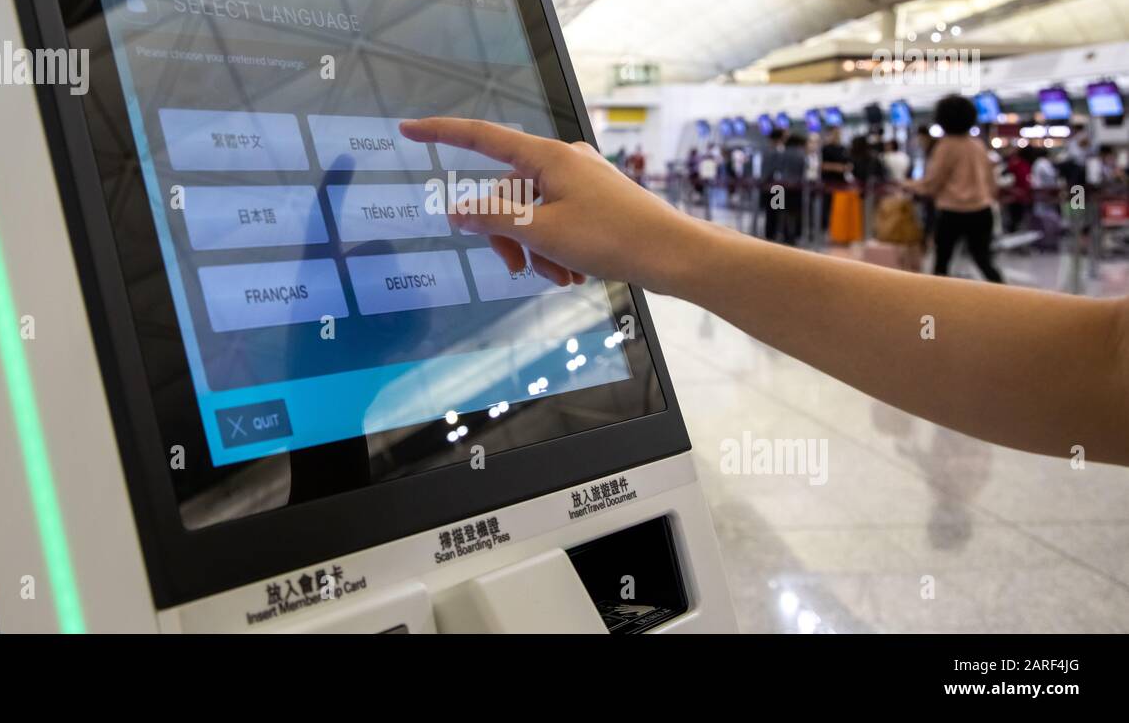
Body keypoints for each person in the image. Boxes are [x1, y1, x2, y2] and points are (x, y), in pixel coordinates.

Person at [398, 117, 1129, 465]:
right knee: (962, 258)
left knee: (949, 255)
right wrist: (679, 249)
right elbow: (1102, 365)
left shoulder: (942, 149)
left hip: (942, 219)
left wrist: (676, 249)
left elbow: (1103, 366)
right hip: (976, 219)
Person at [905, 96, 1004, 284]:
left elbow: (932, 184)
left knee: (942, 263)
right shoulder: (978, 145)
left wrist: (908, 184)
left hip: (952, 213)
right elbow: (991, 183)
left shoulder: (946, 146)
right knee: (984, 260)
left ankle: (936, 304)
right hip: (982, 211)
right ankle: (1008, 298)